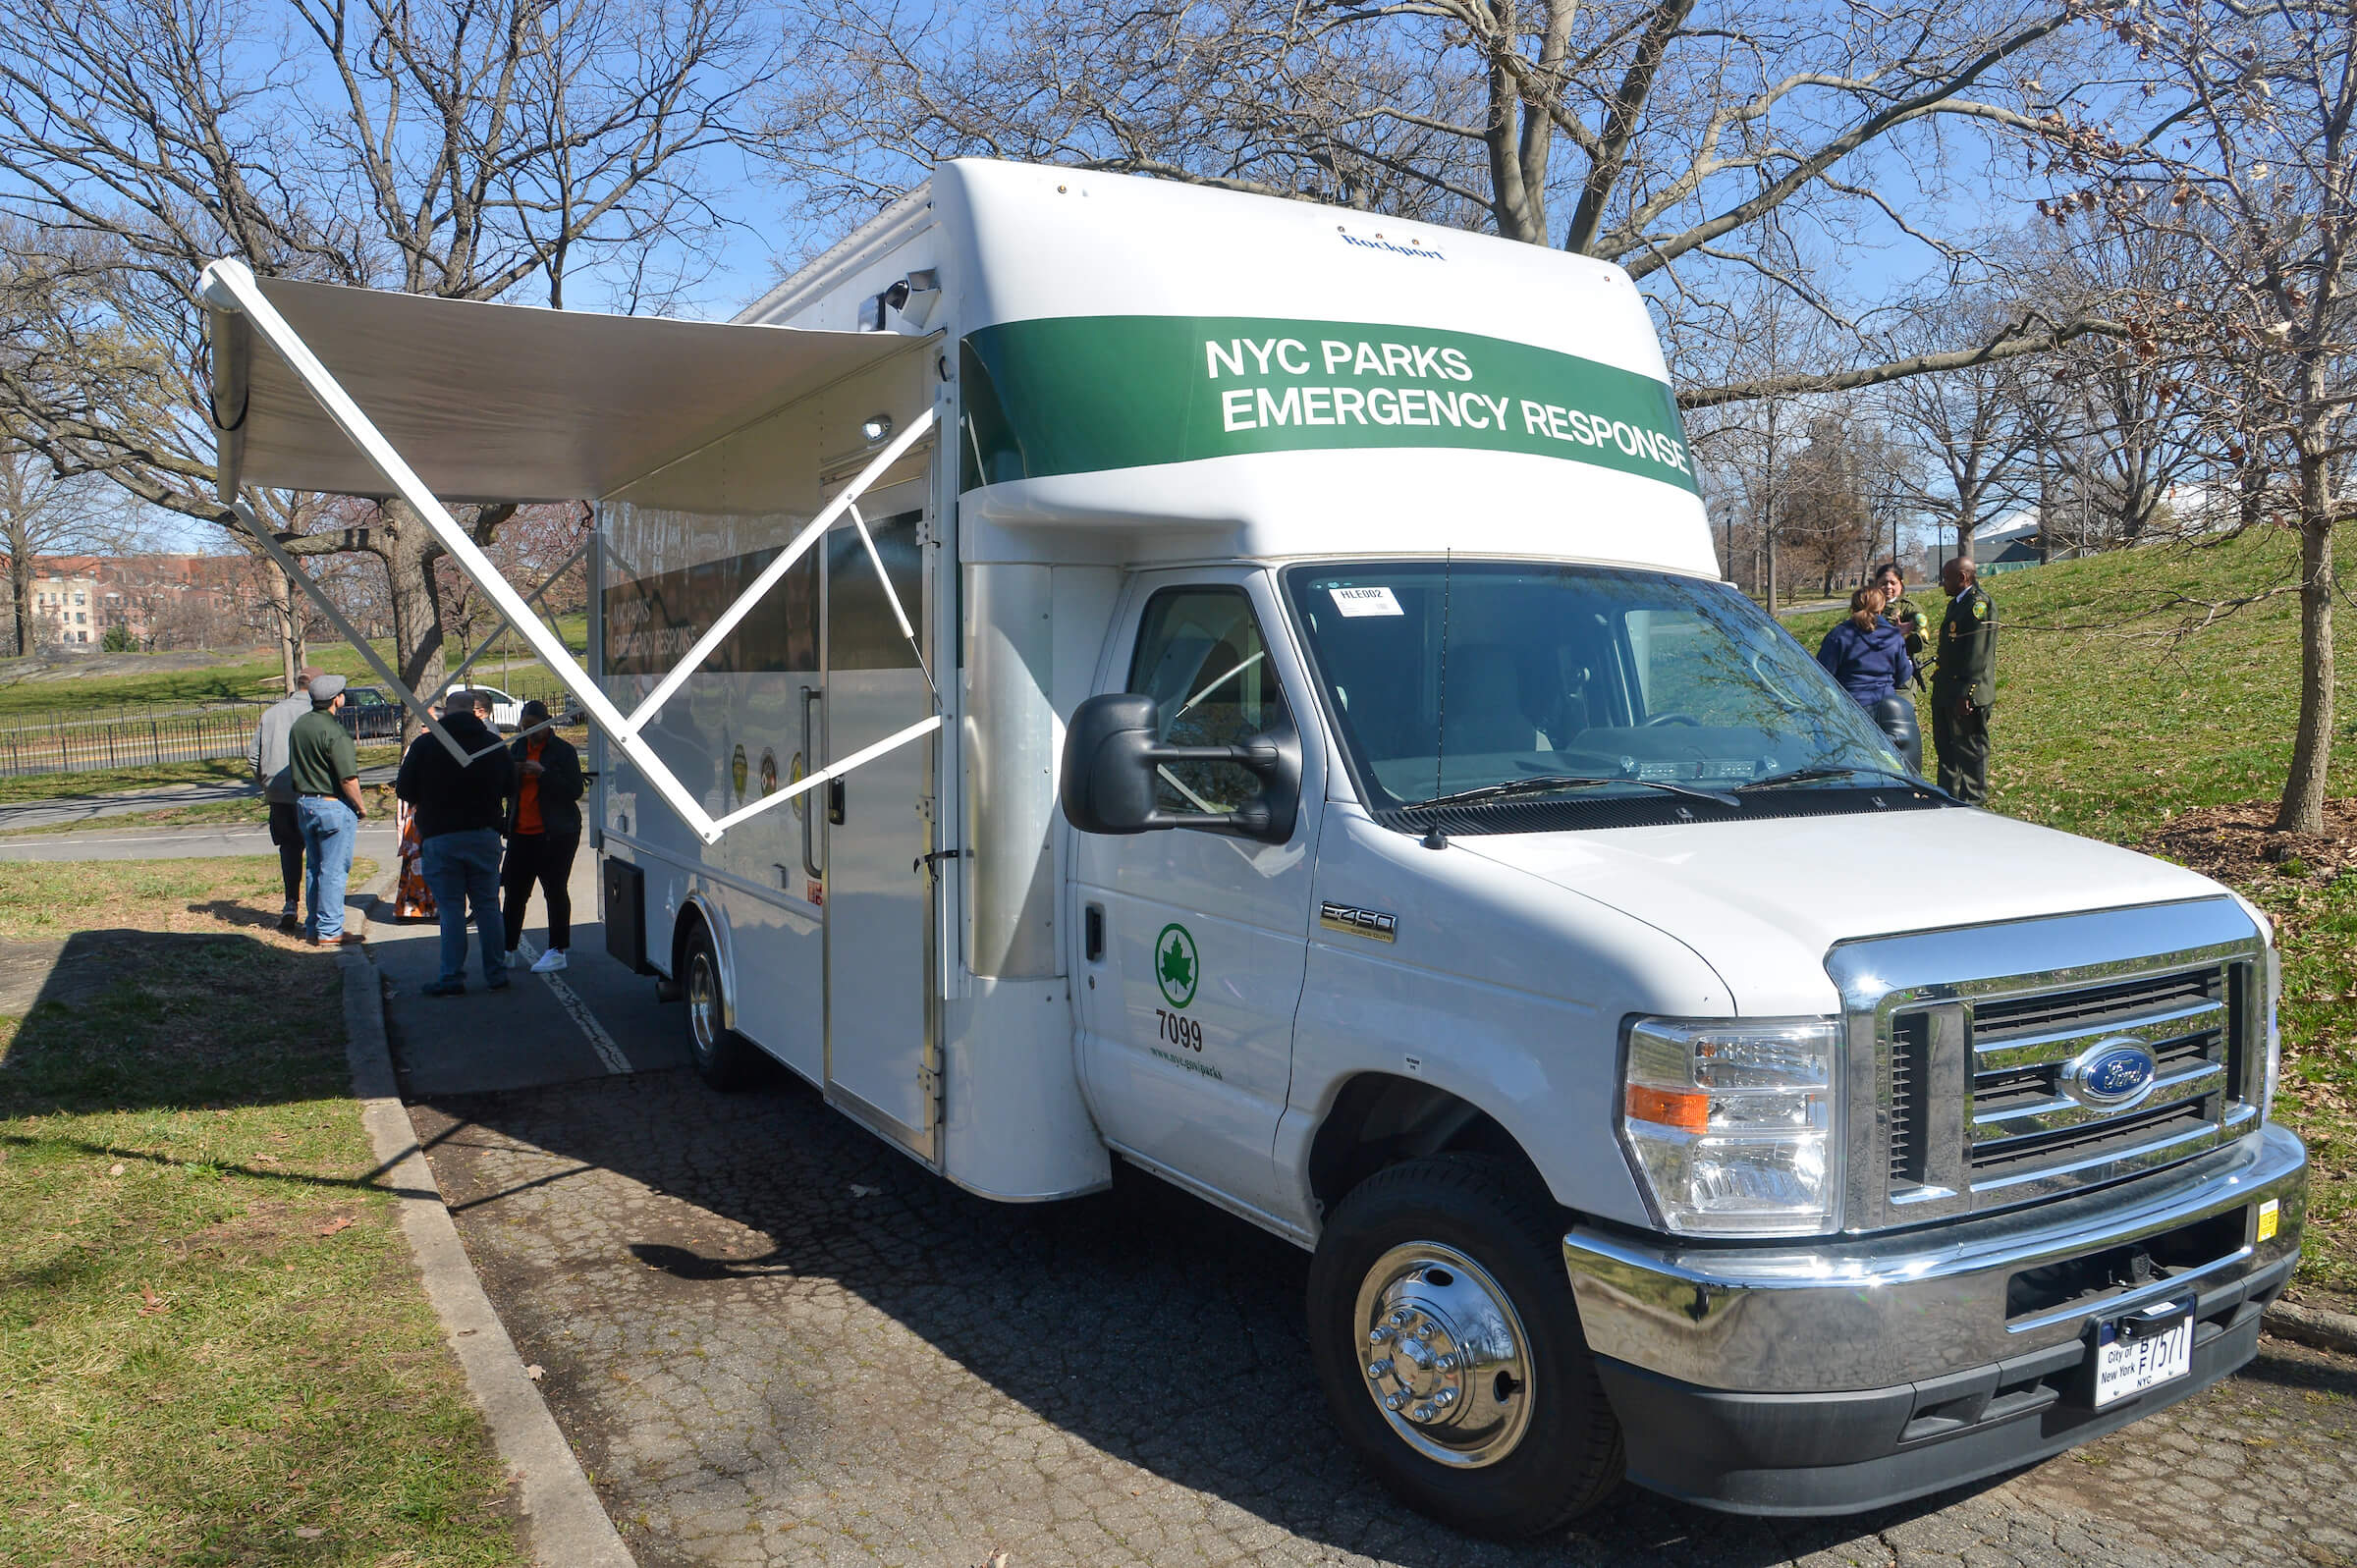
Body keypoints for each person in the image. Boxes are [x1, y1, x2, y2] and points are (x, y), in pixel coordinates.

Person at [395, 688, 516, 996]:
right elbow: (510, 786)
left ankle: (451, 977)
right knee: (488, 906)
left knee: (450, 911)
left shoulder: (426, 745)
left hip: (440, 834)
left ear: (447, 713)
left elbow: (405, 790)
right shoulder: (492, 744)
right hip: (484, 832)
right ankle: (496, 972)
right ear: (476, 712)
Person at [501, 700, 585, 973]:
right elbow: (506, 790)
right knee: (514, 893)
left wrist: (543, 774)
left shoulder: (562, 751)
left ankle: (557, 949)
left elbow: (574, 790)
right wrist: (511, 773)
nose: (529, 732)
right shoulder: (517, 748)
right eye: (525, 727)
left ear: (547, 723)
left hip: (557, 833)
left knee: (555, 890)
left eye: (535, 727)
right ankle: (507, 948)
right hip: (521, 832)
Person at [285, 673, 368, 946]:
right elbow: (348, 778)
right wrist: (361, 805)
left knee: (314, 869)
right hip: (332, 806)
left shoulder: (300, 725)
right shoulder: (335, 732)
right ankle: (331, 930)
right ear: (336, 699)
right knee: (333, 870)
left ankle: (313, 927)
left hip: (304, 803)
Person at [249, 666, 321, 931]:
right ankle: (317, 912)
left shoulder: (270, 714)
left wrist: (267, 785)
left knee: (289, 849)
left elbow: (254, 758)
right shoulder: (317, 714)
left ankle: (291, 902)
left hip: (278, 794)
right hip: (311, 792)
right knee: (317, 851)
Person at [1932, 555, 1998, 803]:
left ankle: (1973, 803)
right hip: (1947, 691)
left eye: (1946, 578)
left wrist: (1966, 693)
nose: (1942, 583)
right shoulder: (1956, 604)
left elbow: (1977, 654)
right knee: (1947, 750)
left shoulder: (1979, 605)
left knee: (1970, 752)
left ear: (1963, 577)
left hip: (1965, 694)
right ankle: (1948, 799)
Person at [1815, 585, 1914, 709]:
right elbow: (1903, 675)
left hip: (1849, 705)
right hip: (1885, 706)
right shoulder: (1894, 636)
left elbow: (1823, 673)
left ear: (1853, 607)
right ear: (1881, 608)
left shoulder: (1839, 635)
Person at [1873, 562, 1931, 684]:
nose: (1888, 587)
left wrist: (1905, 635)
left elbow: (1922, 641)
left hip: (1900, 675)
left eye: (1893, 583)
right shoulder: (1868, 607)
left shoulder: (1910, 608)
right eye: (1883, 583)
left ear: (1901, 584)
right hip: (1871, 673)